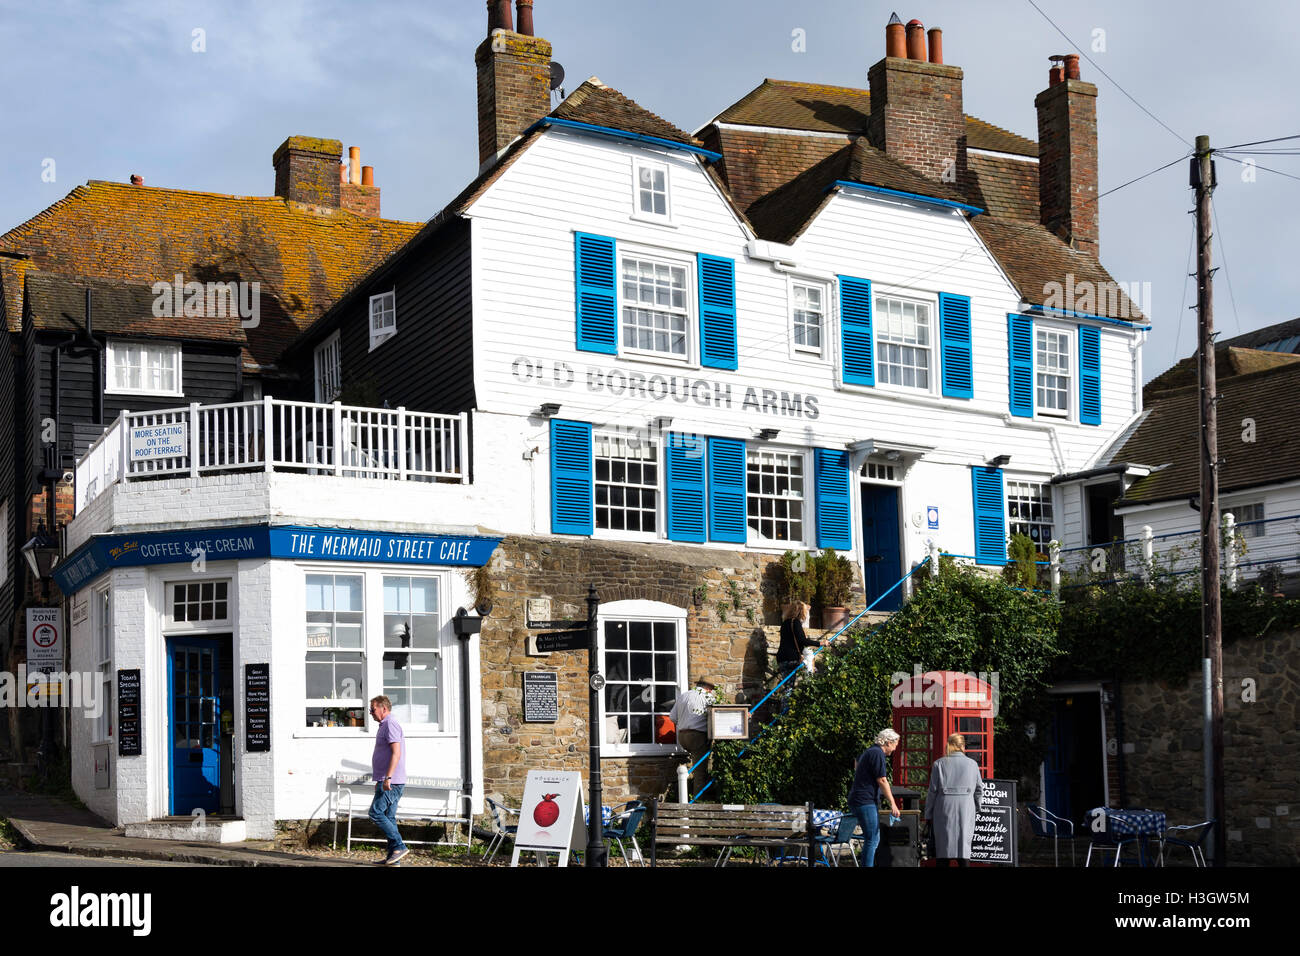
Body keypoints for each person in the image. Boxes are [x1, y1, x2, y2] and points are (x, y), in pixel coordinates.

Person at [924, 733, 984, 867]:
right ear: (962, 746)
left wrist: (928, 814)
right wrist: (978, 807)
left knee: (943, 849)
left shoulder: (938, 764)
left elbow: (932, 792)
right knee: (963, 848)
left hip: (944, 809)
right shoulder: (972, 764)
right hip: (966, 809)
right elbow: (979, 789)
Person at [847, 728, 901, 866]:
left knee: (873, 838)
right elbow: (882, 780)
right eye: (895, 745)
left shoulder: (870, 751)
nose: (895, 749)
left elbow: (857, 762)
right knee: (872, 839)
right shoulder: (877, 753)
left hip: (860, 799)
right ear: (888, 742)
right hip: (864, 801)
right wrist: (893, 803)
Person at [368, 695, 408, 865]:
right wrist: (380, 779)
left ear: (383, 708)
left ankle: (400, 845)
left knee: (375, 813)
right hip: (387, 780)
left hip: (392, 781)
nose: (370, 713)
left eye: (373, 709)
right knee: (388, 817)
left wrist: (388, 778)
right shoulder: (384, 725)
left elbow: (396, 753)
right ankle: (394, 857)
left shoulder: (390, 723)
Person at [668, 675, 721, 797]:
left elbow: (672, 717)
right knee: (700, 772)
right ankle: (698, 801)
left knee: (690, 767)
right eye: (711, 689)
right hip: (697, 736)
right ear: (708, 687)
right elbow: (716, 716)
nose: (711, 691)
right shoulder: (708, 697)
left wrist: (685, 721)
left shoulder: (684, 695)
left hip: (682, 736)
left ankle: (682, 793)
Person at [776, 601, 825, 685]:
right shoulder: (796, 622)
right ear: (801, 611)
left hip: (781, 657)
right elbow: (802, 640)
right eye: (805, 610)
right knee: (811, 669)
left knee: (788, 686)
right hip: (791, 658)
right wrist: (820, 643)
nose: (806, 613)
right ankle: (809, 689)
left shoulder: (785, 623)